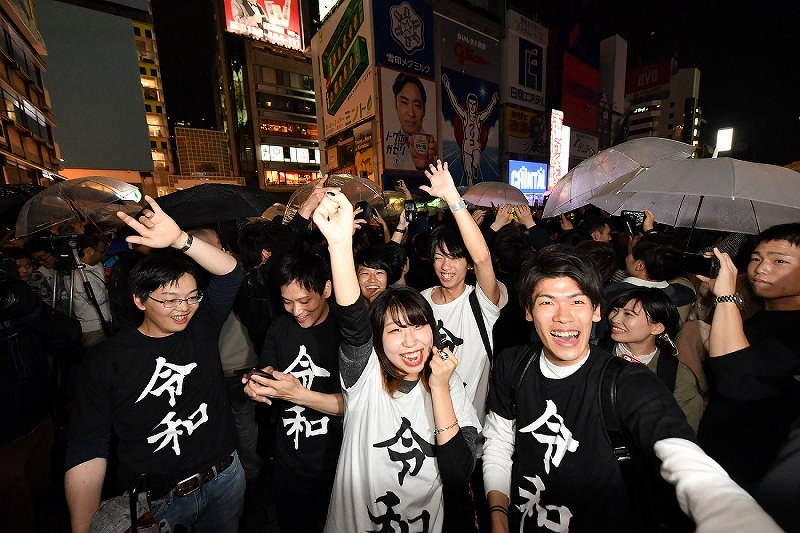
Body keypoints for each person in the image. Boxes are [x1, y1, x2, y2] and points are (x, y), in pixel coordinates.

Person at [482, 244, 780, 532]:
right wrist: (498, 513)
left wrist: (730, 513)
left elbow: (681, 455)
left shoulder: (627, 381)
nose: (563, 316)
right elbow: (498, 441)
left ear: (596, 311)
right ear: (529, 312)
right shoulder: (513, 364)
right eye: (547, 302)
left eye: (577, 302)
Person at [63, 196, 245, 533]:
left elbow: (231, 274)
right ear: (139, 300)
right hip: (157, 502)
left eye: (192, 297)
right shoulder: (107, 360)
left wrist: (180, 240)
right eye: (170, 300)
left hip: (224, 479)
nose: (184, 308)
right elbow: (88, 448)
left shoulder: (201, 328)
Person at [313, 186, 480, 533]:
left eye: (419, 326)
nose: (410, 341)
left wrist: (440, 389)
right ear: (377, 341)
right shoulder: (365, 376)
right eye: (395, 331)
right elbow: (353, 323)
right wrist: (341, 246)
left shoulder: (449, 384)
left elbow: (457, 474)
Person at [244, 251, 344, 533]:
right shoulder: (278, 328)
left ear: (326, 289)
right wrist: (258, 385)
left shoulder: (346, 333)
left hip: (339, 465)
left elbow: (357, 403)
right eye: (287, 302)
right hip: (290, 461)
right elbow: (268, 370)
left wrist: (297, 394)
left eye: (304, 301)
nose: (296, 310)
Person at [697, 223, 800, 490]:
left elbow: (738, 381)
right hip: (718, 462)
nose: (761, 268)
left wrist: (727, 299)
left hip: (759, 477)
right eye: (756, 258)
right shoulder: (762, 317)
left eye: (779, 261)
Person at [0, 252, 82, 533]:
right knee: (16, 514)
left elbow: (69, 336)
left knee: (41, 492)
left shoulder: (14, 297)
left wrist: (30, 310)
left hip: (38, 419)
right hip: (5, 439)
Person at [605, 287, 704, 432]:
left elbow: (681, 437)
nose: (615, 318)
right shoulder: (591, 352)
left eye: (628, 314)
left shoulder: (677, 376)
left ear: (657, 328)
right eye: (615, 310)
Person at [441, 73, 498, 186]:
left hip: (476, 147)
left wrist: (493, 101)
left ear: (476, 105)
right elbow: (455, 104)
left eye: (474, 104)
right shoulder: (465, 115)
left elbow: (487, 111)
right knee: (468, 173)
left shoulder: (478, 117)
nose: (472, 106)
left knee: (475, 164)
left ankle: (475, 170)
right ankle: (470, 194)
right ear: (468, 104)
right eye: (470, 104)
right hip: (466, 146)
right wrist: (447, 87)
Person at [386, 73, 438, 170]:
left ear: (424, 110)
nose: (411, 113)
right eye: (404, 103)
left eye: (417, 105)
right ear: (395, 104)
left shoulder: (433, 150)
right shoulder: (390, 145)